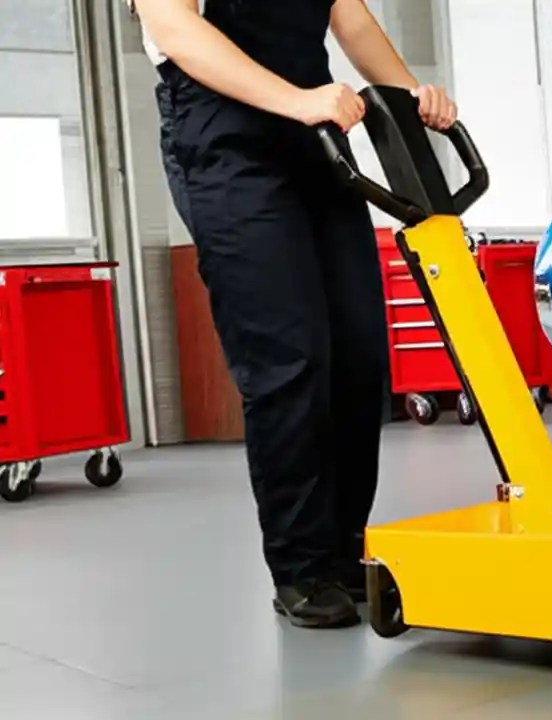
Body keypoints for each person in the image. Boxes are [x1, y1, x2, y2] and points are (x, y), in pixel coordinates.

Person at [130, 0, 457, 629]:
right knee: (289, 356)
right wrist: (297, 101)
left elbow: (352, 21)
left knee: (360, 352)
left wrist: (413, 96)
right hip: (226, 147)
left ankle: (343, 551)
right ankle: (302, 568)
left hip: (314, 140)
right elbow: (177, 31)